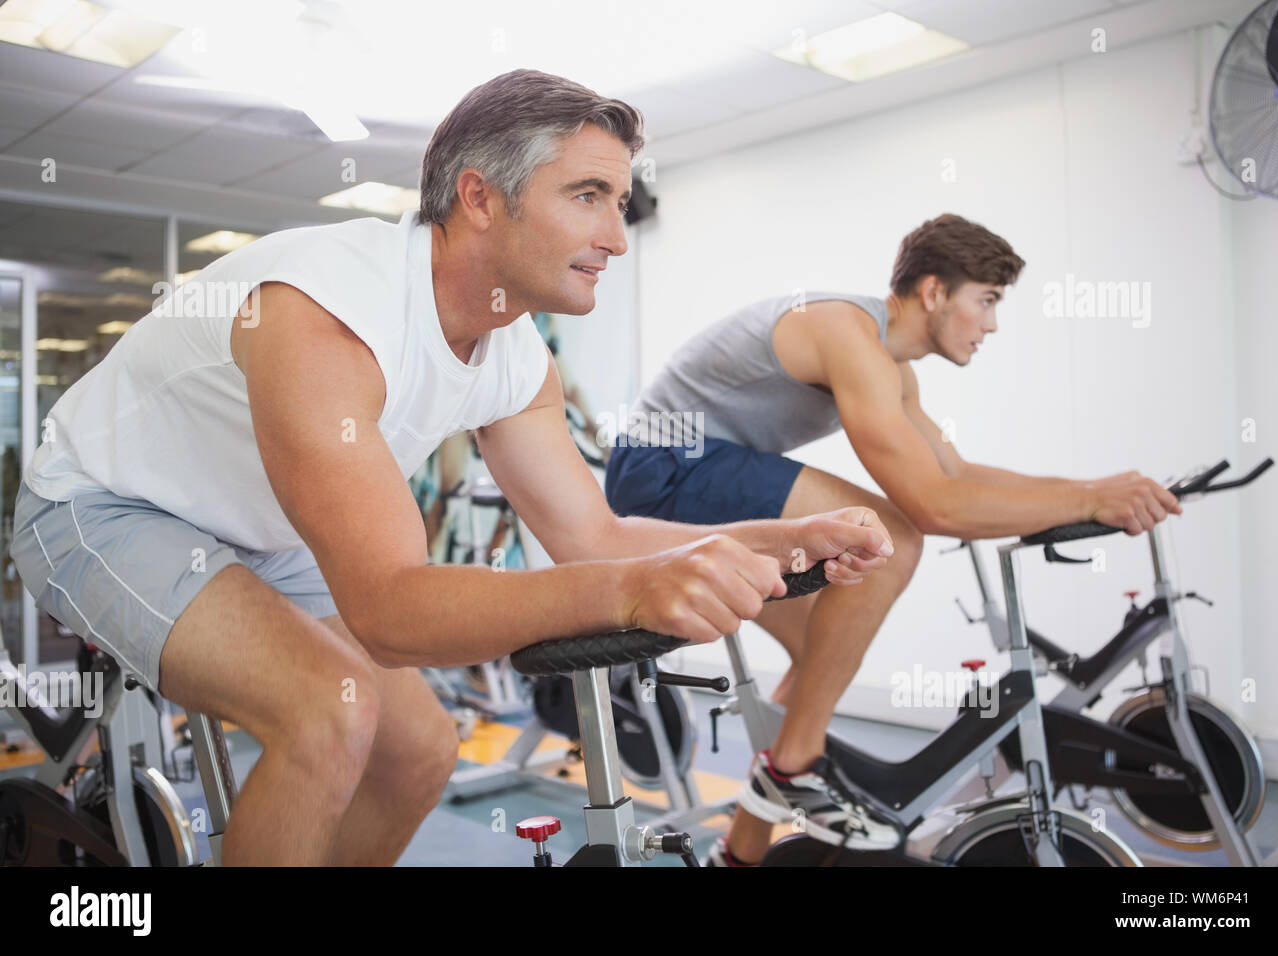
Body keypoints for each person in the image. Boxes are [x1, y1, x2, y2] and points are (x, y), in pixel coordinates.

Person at [6, 69, 892, 866]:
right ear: (478, 196)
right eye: (588, 196)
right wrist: (630, 591)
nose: (616, 238)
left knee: (418, 748)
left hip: (260, 535)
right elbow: (391, 607)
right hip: (107, 508)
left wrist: (776, 540)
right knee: (327, 713)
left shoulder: (515, 356)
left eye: (620, 202)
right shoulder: (329, 314)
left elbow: (594, 534)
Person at [603, 212, 1183, 865]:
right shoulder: (848, 334)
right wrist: (1085, 500)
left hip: (702, 467)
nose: (991, 323)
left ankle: (740, 852)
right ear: (935, 292)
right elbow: (932, 507)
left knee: (824, 643)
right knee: (889, 539)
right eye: (986, 301)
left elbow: (955, 473)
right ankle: (794, 771)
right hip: (659, 468)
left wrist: (1097, 490)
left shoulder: (895, 369)